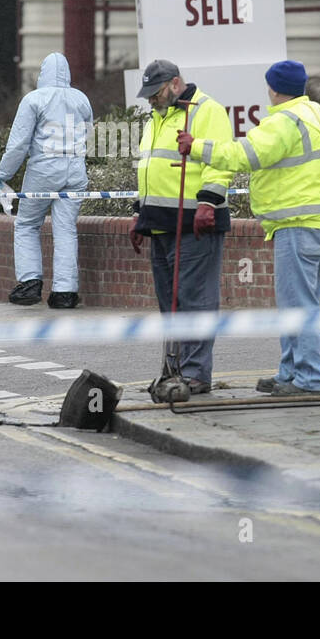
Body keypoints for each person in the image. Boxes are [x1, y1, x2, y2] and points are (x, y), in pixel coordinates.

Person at [176, 60, 320, 399]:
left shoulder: (284, 121)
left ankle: (309, 380)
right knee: (300, 302)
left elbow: (244, 155)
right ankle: (290, 372)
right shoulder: (319, 115)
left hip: (298, 223)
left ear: (273, 89)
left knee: (298, 307)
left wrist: (197, 146)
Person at [130, 59, 235, 394]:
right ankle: (175, 370)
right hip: (161, 224)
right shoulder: (158, 118)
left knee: (195, 299)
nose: (151, 99)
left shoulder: (207, 111)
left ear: (175, 83)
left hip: (194, 223)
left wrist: (209, 202)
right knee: (170, 302)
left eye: (156, 92)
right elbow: (150, 168)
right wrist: (140, 213)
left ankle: (195, 373)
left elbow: (220, 161)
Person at [0, 52, 93, 308]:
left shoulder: (34, 100)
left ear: (42, 73)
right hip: (75, 170)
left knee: (27, 224)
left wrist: (3, 175)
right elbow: (89, 135)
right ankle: (65, 292)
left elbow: (18, 145)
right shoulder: (81, 99)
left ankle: (30, 284)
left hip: (44, 170)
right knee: (66, 229)